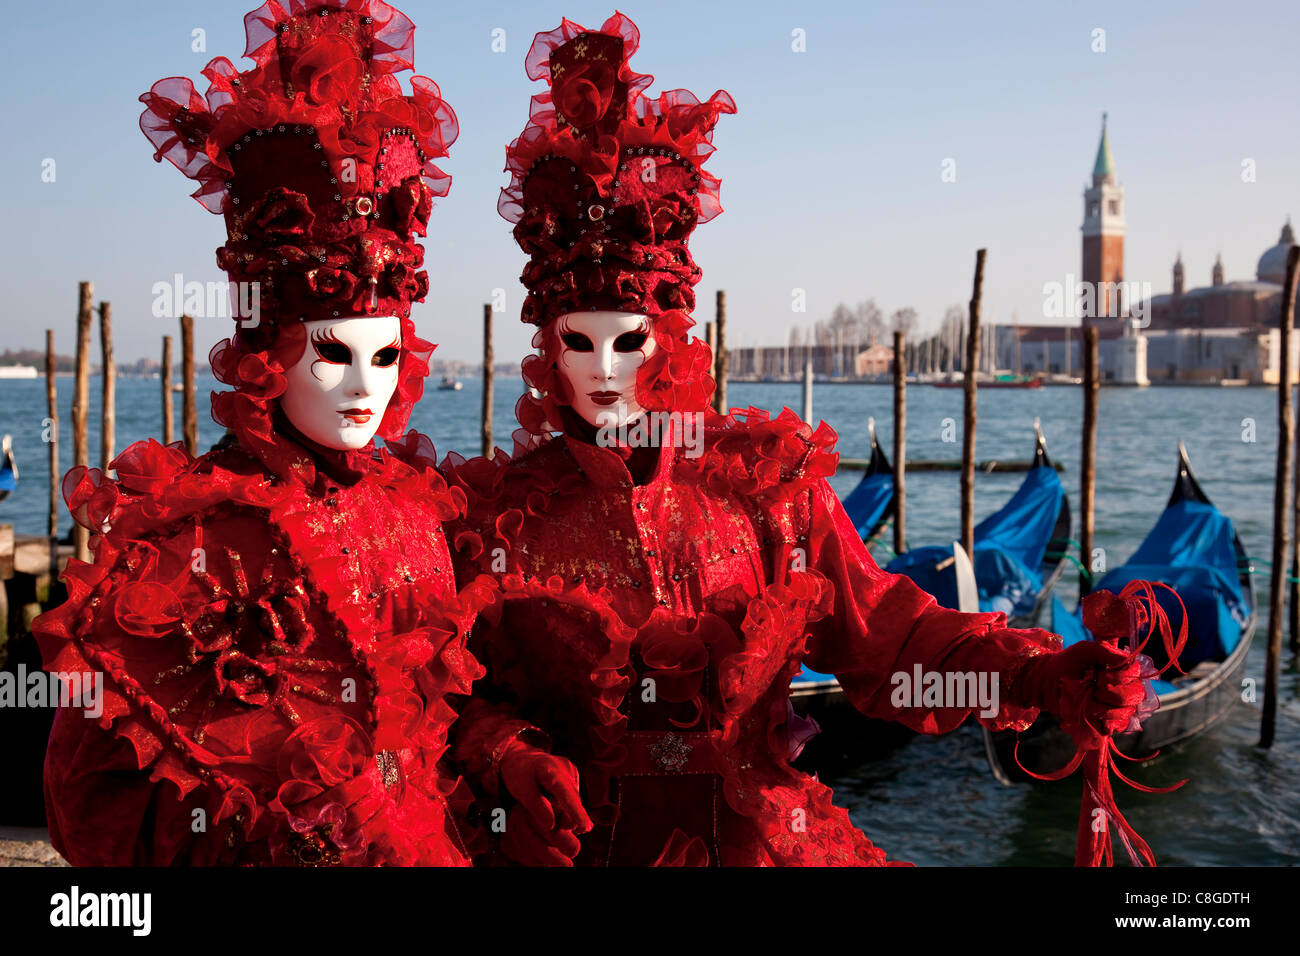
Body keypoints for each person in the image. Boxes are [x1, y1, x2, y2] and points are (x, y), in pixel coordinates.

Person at [445, 13, 1147, 867]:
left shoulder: (762, 491)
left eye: (628, 341)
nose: (602, 371)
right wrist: (510, 760)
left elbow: (892, 645)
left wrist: (1034, 678)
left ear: (667, 340)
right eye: (576, 343)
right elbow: (453, 703)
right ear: (545, 350)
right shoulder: (501, 519)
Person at [37, 0, 498, 866]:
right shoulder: (190, 541)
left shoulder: (416, 518)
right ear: (263, 357)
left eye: (387, 354)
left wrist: (501, 757)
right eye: (331, 354)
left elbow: (440, 730)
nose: (367, 386)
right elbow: (82, 802)